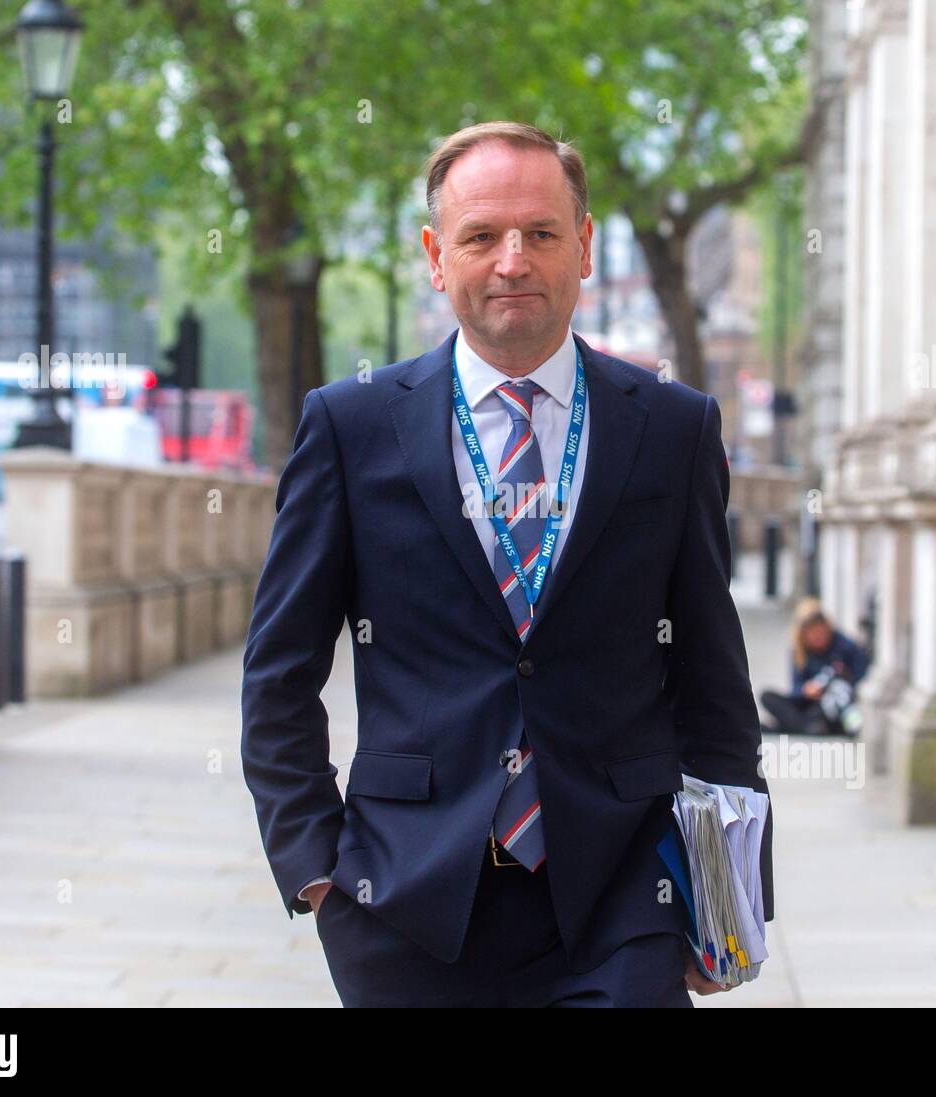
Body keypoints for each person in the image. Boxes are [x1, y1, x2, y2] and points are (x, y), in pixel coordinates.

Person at [240, 121, 771, 1007]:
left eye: (541, 233)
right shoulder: (351, 426)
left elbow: (714, 680)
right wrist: (317, 875)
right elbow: (279, 671)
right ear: (436, 257)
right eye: (481, 236)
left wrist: (726, 899)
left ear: (586, 247)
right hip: (406, 901)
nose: (513, 261)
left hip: (624, 901)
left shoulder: (673, 429)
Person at [759, 598, 870, 737]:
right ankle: (805, 728)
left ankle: (789, 728)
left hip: (829, 707)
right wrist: (807, 690)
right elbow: (795, 690)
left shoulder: (843, 645)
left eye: (820, 633)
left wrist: (844, 678)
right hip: (807, 706)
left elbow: (860, 671)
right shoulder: (799, 652)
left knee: (820, 716)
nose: (818, 639)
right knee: (767, 696)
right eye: (813, 635)